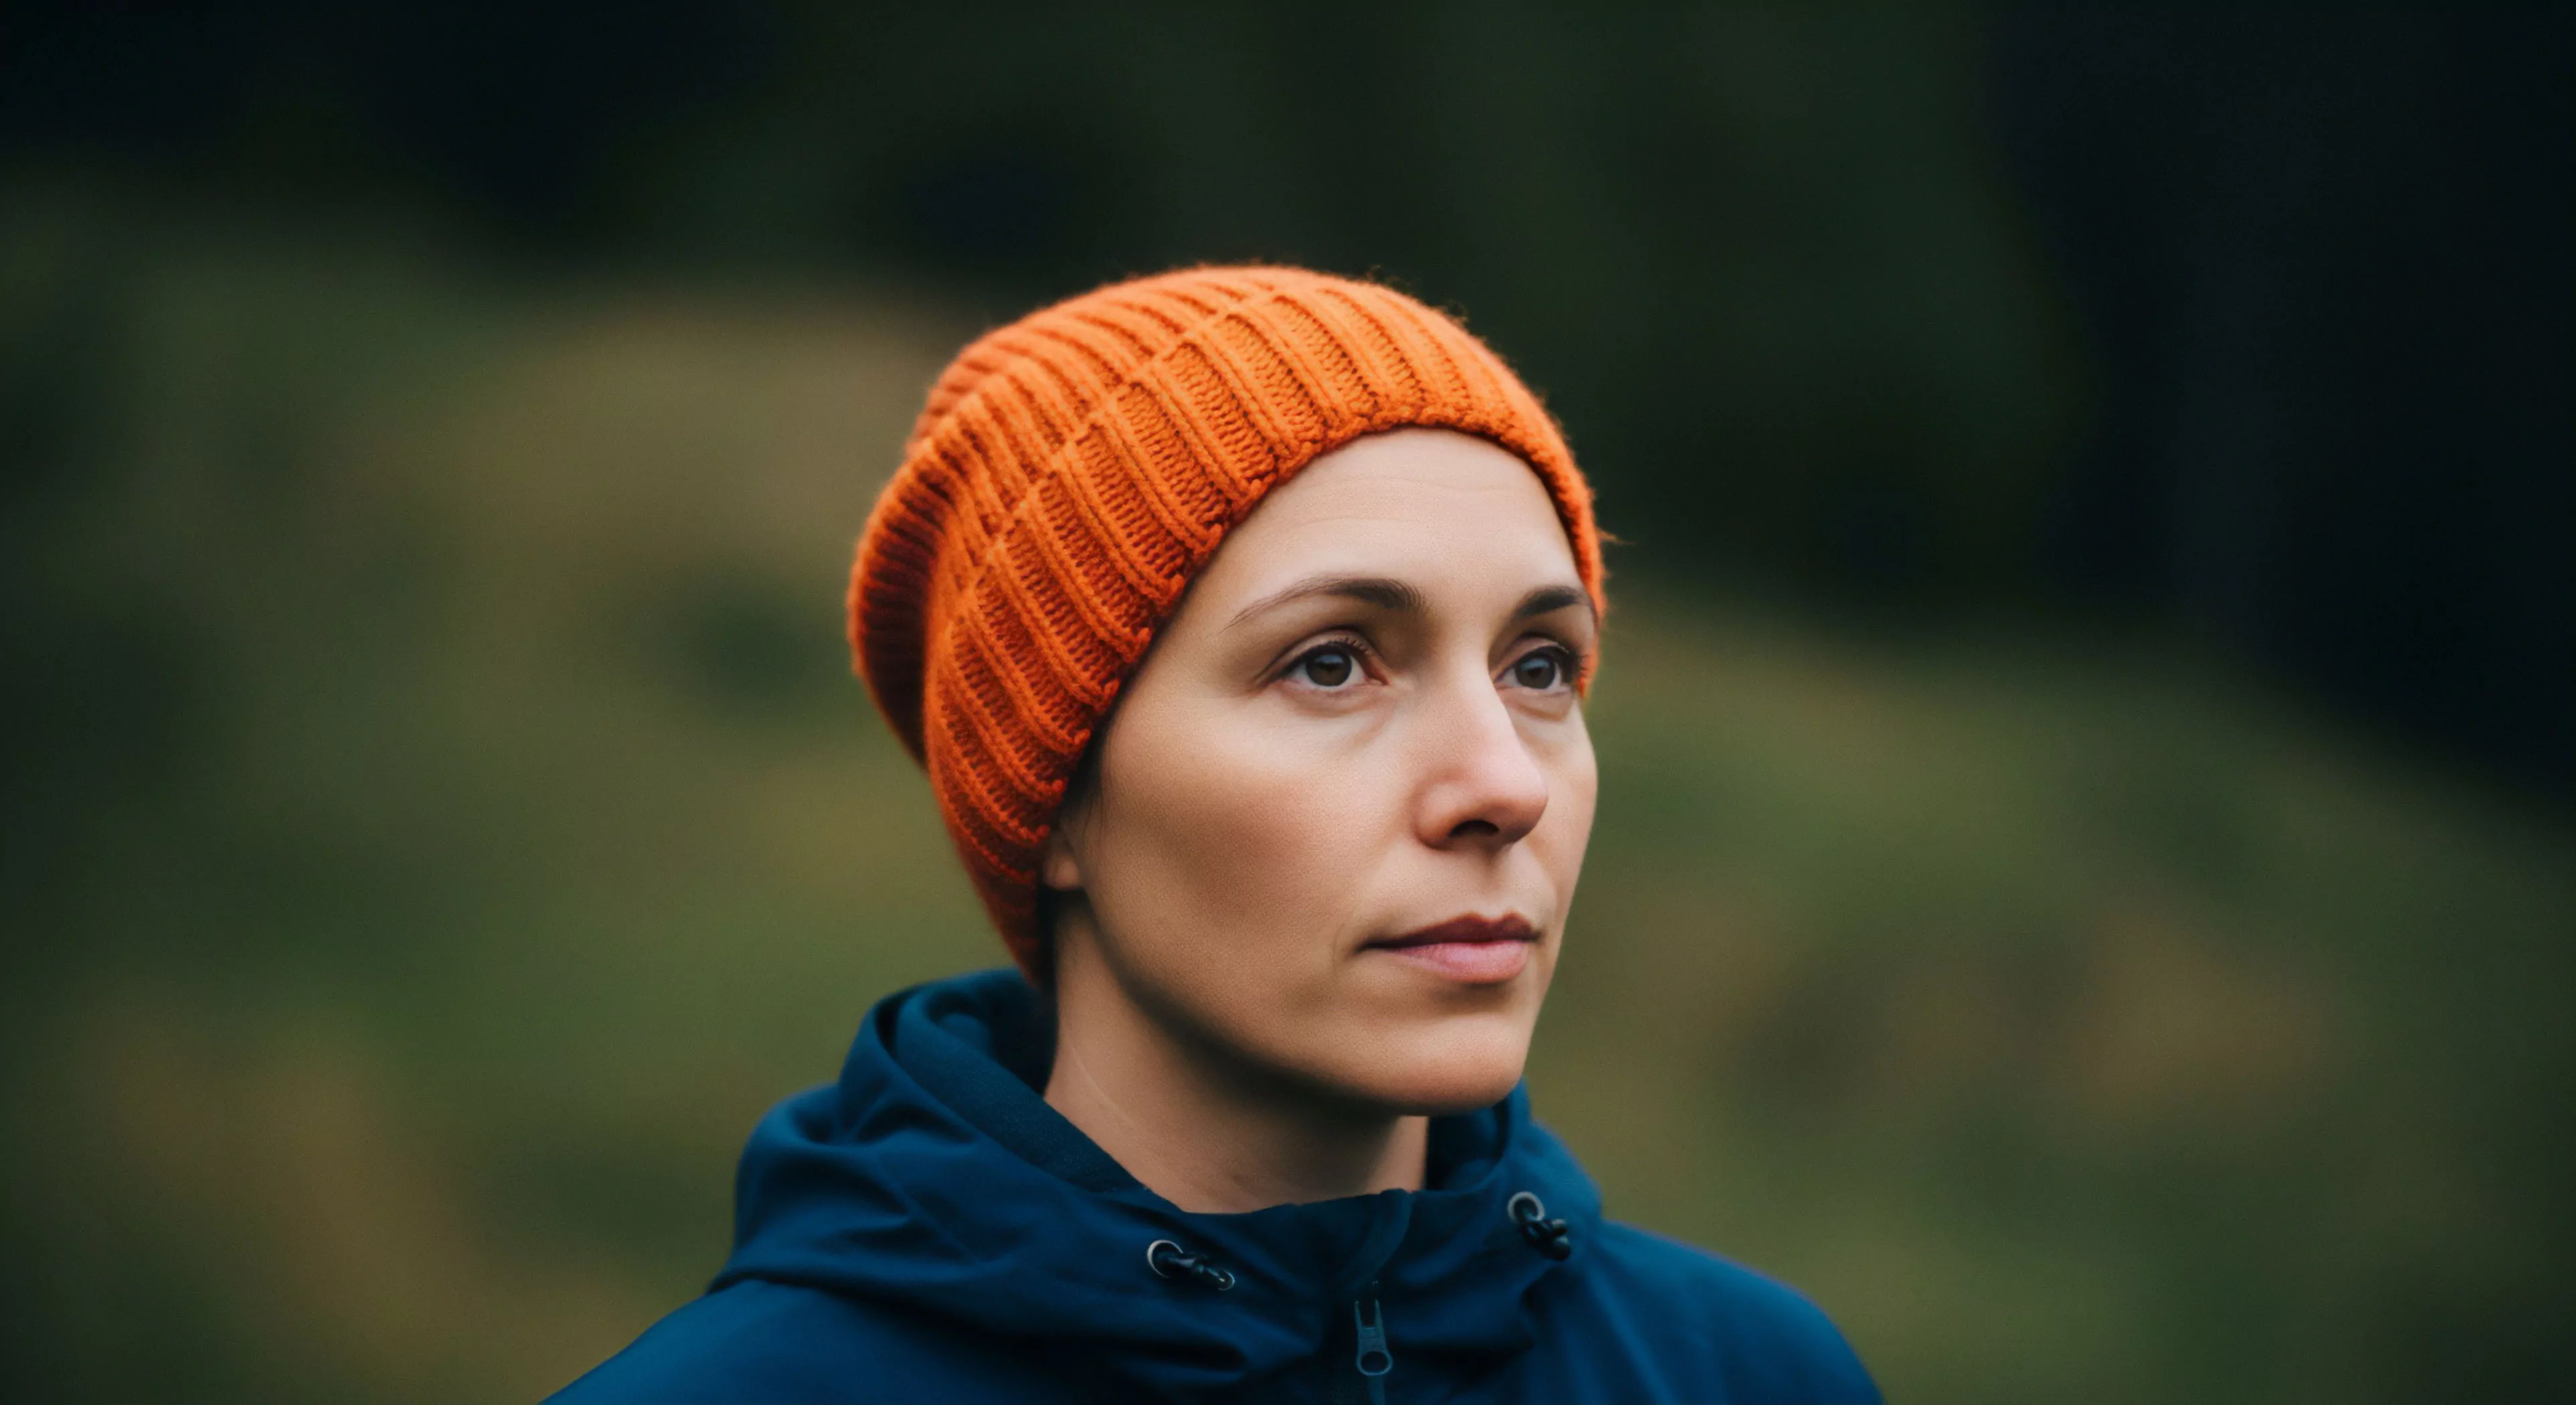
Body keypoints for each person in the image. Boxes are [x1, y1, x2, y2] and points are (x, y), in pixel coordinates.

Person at [548, 266, 1879, 1403]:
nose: (1500, 784)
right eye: (1329, 664)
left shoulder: (1745, 1374)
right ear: (1055, 790)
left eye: (1538, 667)